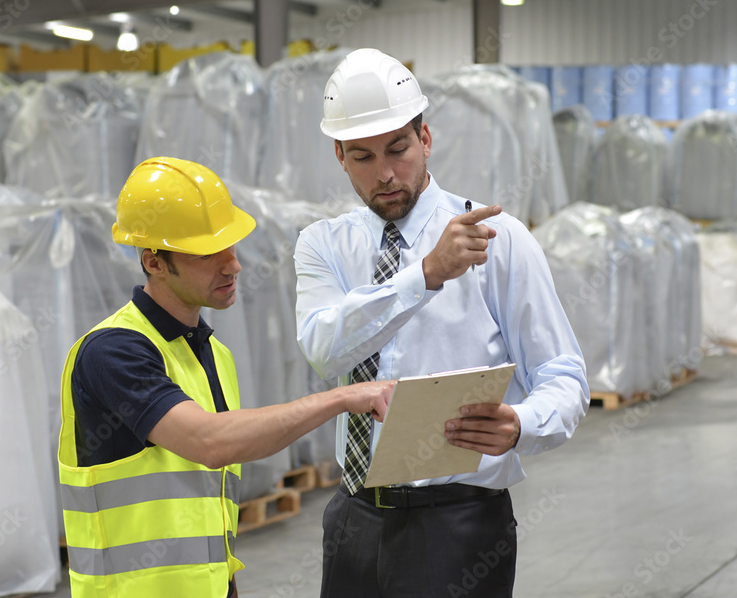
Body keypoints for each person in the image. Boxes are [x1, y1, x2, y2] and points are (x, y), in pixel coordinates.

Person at [294, 48, 589, 598]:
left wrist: (523, 423)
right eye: (362, 156)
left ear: (425, 139)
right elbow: (323, 349)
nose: (384, 173)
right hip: (352, 521)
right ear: (339, 156)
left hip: (459, 526)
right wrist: (423, 275)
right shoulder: (323, 245)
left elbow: (564, 374)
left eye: (398, 149)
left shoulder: (498, 241)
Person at [58, 156, 394, 598]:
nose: (233, 265)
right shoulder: (113, 352)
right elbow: (209, 442)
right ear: (153, 262)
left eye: (231, 246)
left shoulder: (212, 353)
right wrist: (338, 399)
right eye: (206, 253)